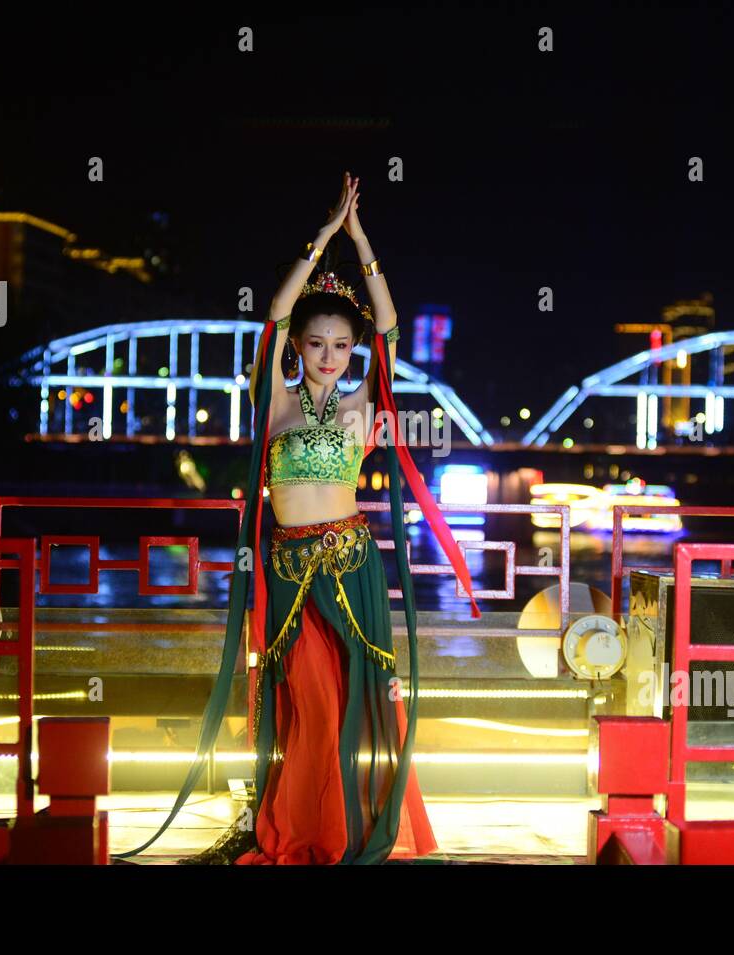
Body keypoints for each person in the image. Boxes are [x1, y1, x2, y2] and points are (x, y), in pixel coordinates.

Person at [113, 172, 480, 865]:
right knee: (305, 705)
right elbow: (275, 312)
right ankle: (299, 826)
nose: (329, 356)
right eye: (316, 344)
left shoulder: (362, 407)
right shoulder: (275, 401)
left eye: (342, 347)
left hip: (348, 562)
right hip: (286, 564)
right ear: (297, 347)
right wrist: (321, 238)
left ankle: (348, 829)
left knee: (353, 708)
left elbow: (392, 327)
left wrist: (362, 239)